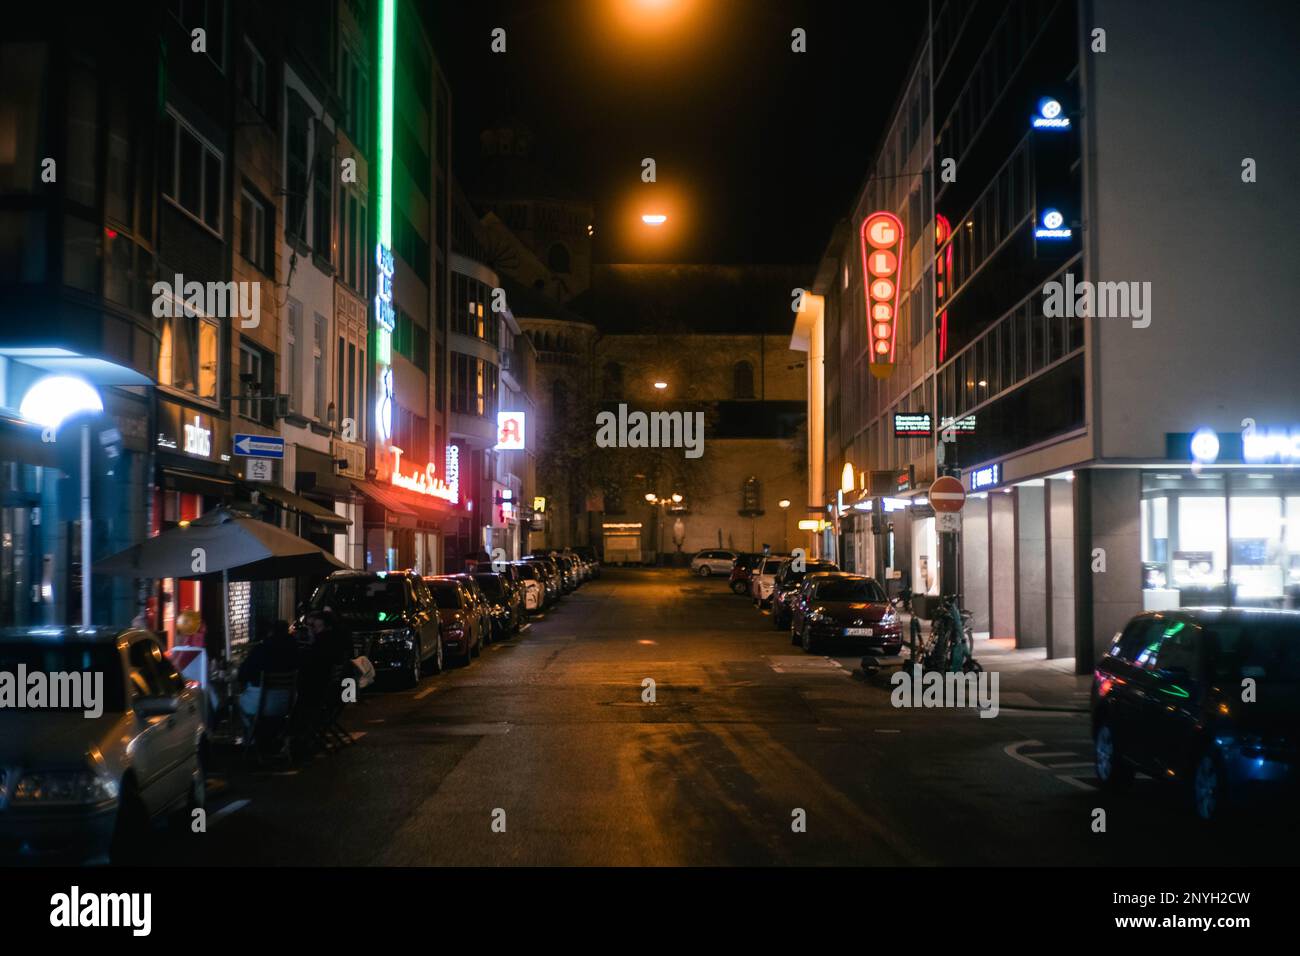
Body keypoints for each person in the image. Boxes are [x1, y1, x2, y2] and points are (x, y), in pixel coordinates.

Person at [237, 620, 299, 721]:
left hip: (260, 702)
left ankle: (250, 733)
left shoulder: (261, 650)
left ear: (270, 632)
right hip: (287, 703)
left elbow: (242, 675)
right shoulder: (294, 650)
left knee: (239, 701)